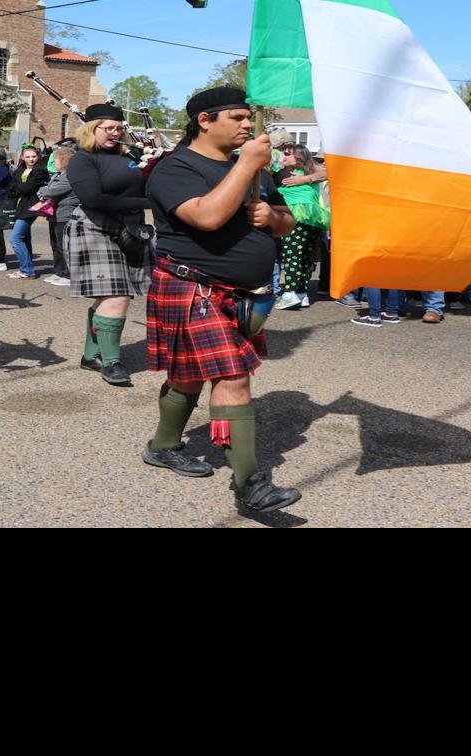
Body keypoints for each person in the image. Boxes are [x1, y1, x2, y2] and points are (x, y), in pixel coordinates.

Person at [143, 87, 302, 515]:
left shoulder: (252, 169)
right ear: (204, 121)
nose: (248, 124)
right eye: (237, 117)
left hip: (244, 295)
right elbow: (207, 216)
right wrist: (248, 164)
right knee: (232, 376)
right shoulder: (175, 168)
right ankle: (250, 484)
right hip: (193, 287)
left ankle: (162, 446)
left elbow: (288, 223)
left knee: (189, 375)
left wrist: (273, 217)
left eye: (249, 117)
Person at [66, 103, 152, 387]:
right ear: (92, 129)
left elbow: (148, 184)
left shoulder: (130, 156)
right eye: (109, 128)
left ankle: (91, 356)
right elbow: (93, 199)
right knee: (117, 295)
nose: (115, 133)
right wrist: (148, 203)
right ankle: (111, 362)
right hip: (95, 227)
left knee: (110, 296)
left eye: (119, 128)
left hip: (131, 228)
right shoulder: (82, 159)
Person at [273, 144, 329, 311]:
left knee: (292, 255)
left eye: (287, 154)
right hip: (312, 217)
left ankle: (290, 293)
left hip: (298, 216)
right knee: (304, 257)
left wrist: (304, 179)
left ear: (298, 157)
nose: (283, 157)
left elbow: (330, 172)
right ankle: (301, 293)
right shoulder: (292, 170)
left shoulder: (305, 171)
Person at [4, 146, 49, 280]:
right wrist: (17, 189)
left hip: (31, 206)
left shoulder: (40, 171)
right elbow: (11, 186)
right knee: (24, 238)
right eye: (28, 157)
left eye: (33, 156)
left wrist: (17, 189)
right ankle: (27, 269)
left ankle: (27, 270)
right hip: (20, 206)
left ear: (38, 157)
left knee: (15, 238)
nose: (31, 159)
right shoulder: (20, 169)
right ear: (23, 157)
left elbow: (27, 188)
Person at [37, 144, 78, 286]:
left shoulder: (69, 176)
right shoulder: (57, 174)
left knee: (64, 246)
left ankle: (68, 275)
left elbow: (50, 191)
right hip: (54, 214)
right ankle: (59, 272)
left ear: (65, 160)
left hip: (65, 214)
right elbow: (46, 189)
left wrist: (43, 192)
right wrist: (44, 191)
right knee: (55, 244)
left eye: (56, 159)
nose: (54, 162)